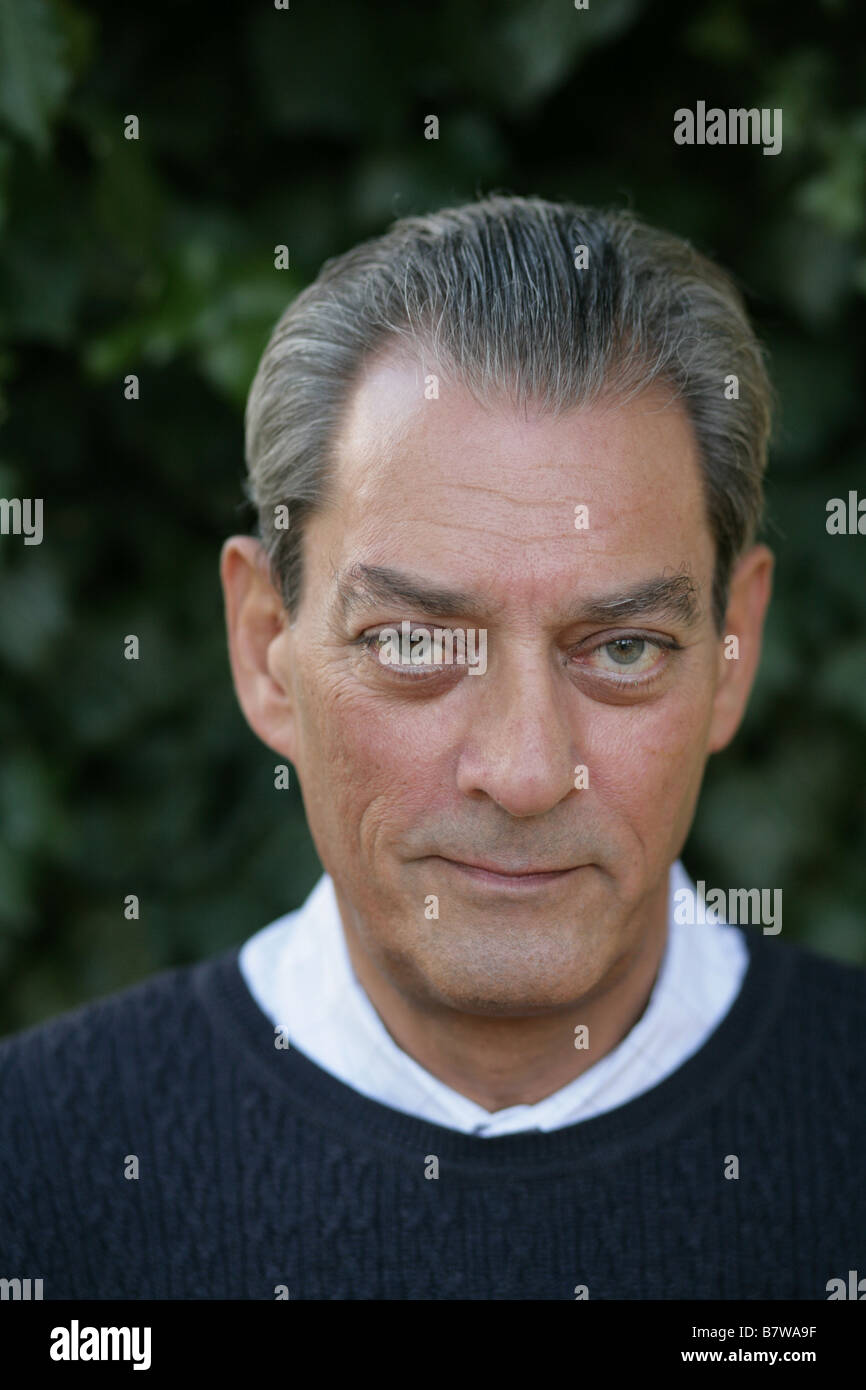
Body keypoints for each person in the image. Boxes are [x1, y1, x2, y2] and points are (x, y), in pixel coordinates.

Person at [2, 196, 863, 1301]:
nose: (521, 769)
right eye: (414, 640)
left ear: (731, 655)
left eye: (623, 648)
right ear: (267, 648)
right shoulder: (34, 1176)